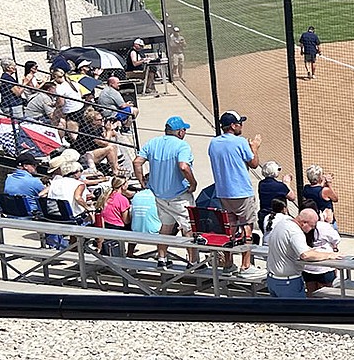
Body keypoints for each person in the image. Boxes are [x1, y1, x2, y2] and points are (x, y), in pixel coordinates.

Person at [134, 116, 198, 266]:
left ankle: (162, 258)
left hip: (160, 196)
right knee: (189, 228)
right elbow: (183, 166)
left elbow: (137, 162)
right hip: (180, 195)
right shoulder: (182, 146)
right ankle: (193, 262)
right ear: (180, 132)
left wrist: (142, 181)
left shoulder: (153, 142)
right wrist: (193, 183)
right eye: (184, 130)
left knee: (166, 227)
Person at [208, 111, 262, 274]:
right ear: (233, 126)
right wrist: (254, 147)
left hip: (223, 193)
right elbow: (254, 163)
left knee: (230, 227)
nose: (241, 126)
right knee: (246, 226)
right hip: (241, 192)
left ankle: (228, 263)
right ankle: (246, 265)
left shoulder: (214, 143)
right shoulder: (240, 142)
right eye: (239, 124)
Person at [263, 208, 343, 298]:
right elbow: (305, 255)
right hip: (287, 283)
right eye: (312, 226)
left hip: (273, 280)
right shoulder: (295, 232)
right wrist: (329, 255)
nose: (312, 229)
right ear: (304, 223)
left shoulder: (283, 223)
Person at [302, 206, 342, 296]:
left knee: (311, 294)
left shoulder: (300, 227)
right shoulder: (324, 226)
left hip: (307, 267)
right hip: (324, 267)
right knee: (327, 296)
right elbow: (336, 239)